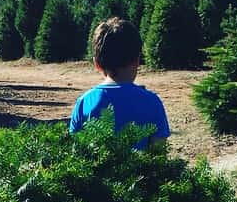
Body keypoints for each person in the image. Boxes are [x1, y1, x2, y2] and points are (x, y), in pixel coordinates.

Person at [71, 18, 170, 150]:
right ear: (137, 60)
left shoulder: (84, 102)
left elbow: (76, 155)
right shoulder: (152, 102)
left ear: (97, 64)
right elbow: (159, 158)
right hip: (140, 171)